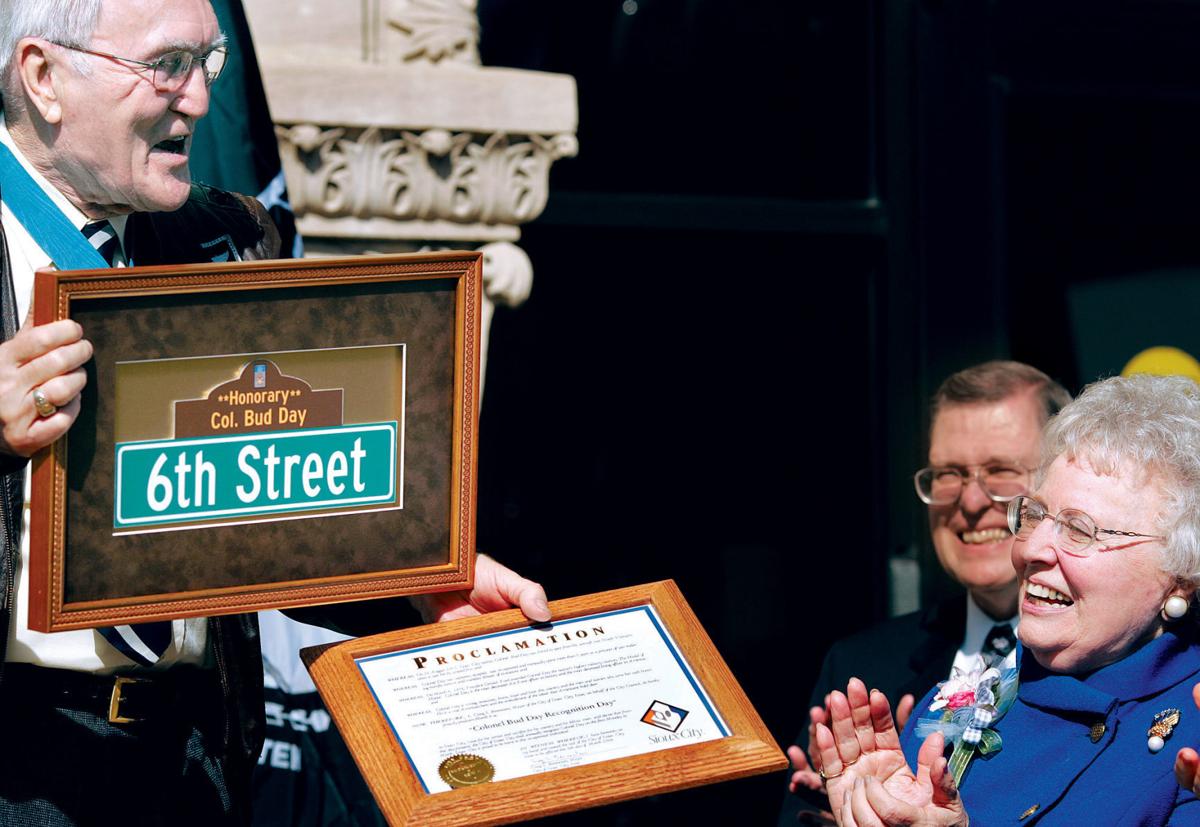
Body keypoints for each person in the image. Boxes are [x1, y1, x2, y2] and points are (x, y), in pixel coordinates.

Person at [0, 1, 550, 824]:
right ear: (43, 76)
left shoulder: (224, 239)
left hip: (193, 766)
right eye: (168, 64)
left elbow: (272, 504)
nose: (198, 101)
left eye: (209, 63)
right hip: (22, 765)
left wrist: (423, 574)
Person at [815, 373, 1200, 825]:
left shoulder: (1190, 736)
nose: (1032, 549)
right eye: (1035, 514)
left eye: (1079, 530)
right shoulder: (954, 707)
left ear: (1179, 578)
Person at [780, 361, 1070, 822]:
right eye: (949, 473)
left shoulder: (1111, 657)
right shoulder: (862, 667)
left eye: (1001, 471)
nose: (971, 503)